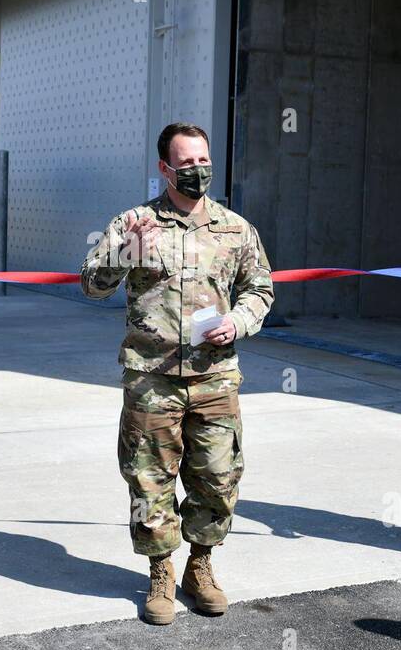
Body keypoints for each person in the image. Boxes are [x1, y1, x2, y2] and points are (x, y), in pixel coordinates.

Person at [81, 123, 275, 624]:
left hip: (215, 378)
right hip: (152, 378)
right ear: (164, 169)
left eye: (202, 160)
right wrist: (128, 253)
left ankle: (200, 566)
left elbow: (261, 289)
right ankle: (161, 571)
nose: (197, 170)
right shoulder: (134, 222)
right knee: (150, 481)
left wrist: (239, 321)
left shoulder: (236, 228)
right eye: (185, 163)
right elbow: (91, 284)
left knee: (217, 476)